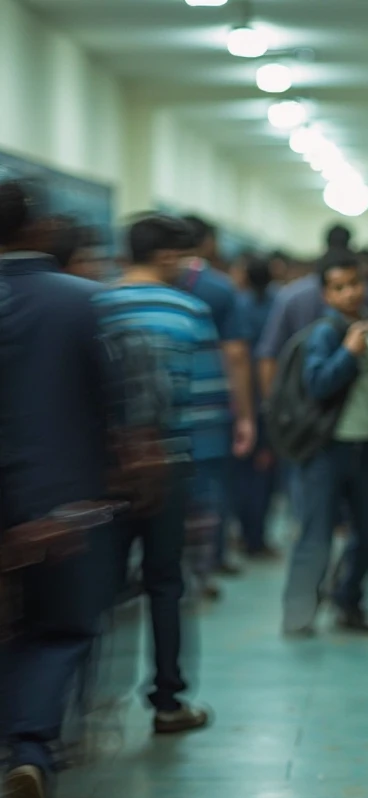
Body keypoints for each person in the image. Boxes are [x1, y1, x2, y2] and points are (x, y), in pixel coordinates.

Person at [0, 180, 117, 798]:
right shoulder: (80, 301)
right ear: (37, 228)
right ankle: (30, 748)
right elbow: (112, 402)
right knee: (59, 630)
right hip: (58, 503)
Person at [95, 214, 219, 735]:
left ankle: (89, 706)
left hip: (104, 471)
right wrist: (202, 486)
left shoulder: (96, 306)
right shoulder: (190, 310)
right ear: (167, 256)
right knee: (165, 583)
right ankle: (168, 700)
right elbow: (205, 402)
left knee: (99, 586)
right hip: (169, 466)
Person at [282, 251, 368, 637]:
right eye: (339, 287)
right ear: (326, 294)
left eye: (355, 284)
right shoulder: (326, 332)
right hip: (327, 449)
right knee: (316, 535)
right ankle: (298, 613)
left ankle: (348, 600)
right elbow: (318, 384)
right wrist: (348, 353)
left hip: (367, 447)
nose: (350, 293)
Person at [180, 215, 255, 585]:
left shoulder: (151, 284)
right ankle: (208, 565)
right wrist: (245, 415)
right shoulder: (220, 288)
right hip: (209, 412)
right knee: (211, 490)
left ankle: (178, 568)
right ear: (207, 242)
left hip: (161, 414)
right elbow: (236, 355)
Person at [256, 224, 354, 400]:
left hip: (297, 398)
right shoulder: (361, 295)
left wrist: (270, 405)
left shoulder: (291, 295)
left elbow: (269, 355)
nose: (348, 294)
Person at [233, 255, 278, 556]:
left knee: (244, 473)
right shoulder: (277, 304)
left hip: (244, 398)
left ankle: (247, 533)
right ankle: (256, 537)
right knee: (265, 473)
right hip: (270, 399)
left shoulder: (239, 305)